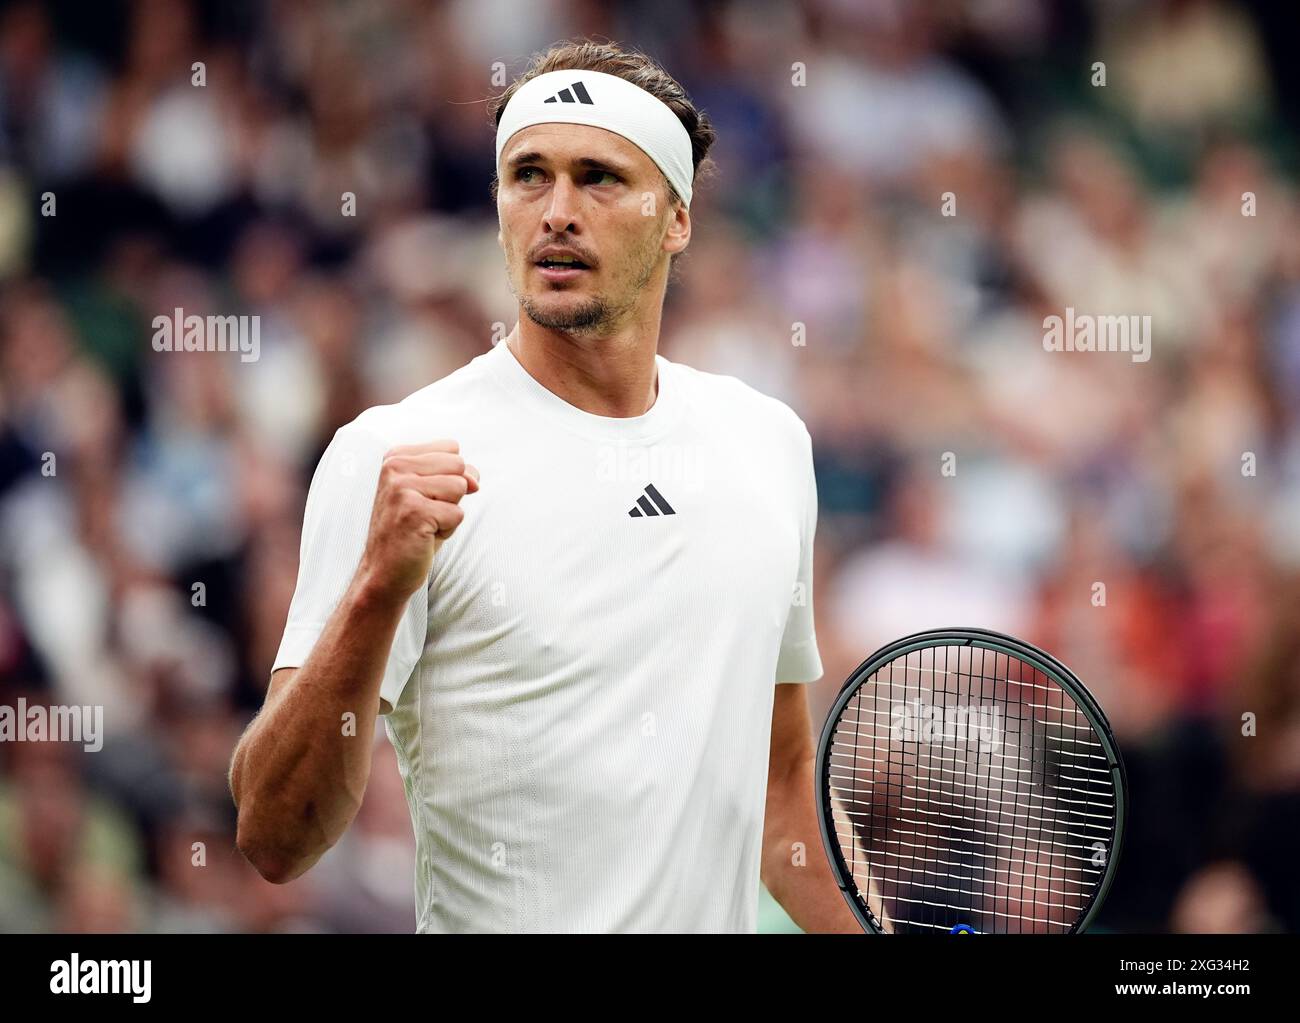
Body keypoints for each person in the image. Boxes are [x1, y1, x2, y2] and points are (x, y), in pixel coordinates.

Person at [228, 39, 858, 933]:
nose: (556, 212)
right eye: (529, 176)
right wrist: (375, 588)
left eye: (598, 178)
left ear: (675, 217)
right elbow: (273, 835)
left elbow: (783, 785)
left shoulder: (767, 443)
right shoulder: (396, 453)